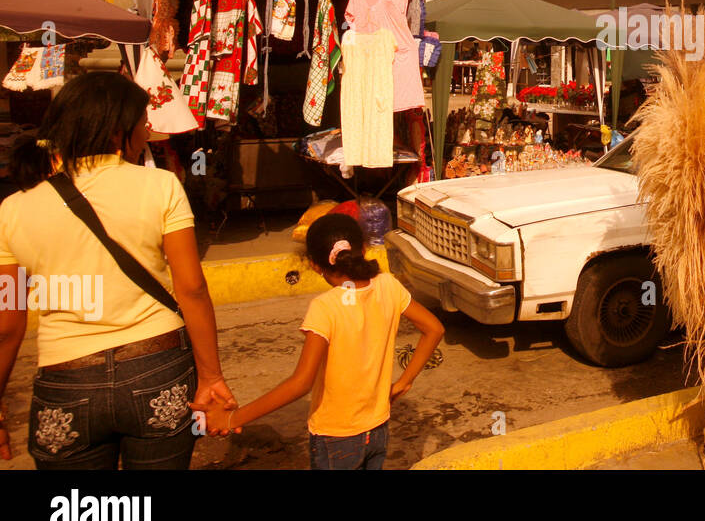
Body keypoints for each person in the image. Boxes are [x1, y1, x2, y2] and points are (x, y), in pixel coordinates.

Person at [0, 73, 234, 467]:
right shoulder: (160, 187)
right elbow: (191, 289)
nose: (148, 127)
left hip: (66, 381)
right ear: (115, 128)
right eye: (143, 119)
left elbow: (7, 324)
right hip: (158, 371)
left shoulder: (13, 211)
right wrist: (211, 377)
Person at [193, 214, 444, 469]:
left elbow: (301, 383)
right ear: (364, 250)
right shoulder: (388, 285)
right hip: (378, 429)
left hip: (336, 437)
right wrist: (404, 382)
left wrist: (233, 418)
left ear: (313, 264)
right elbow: (434, 329)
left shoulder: (325, 308)